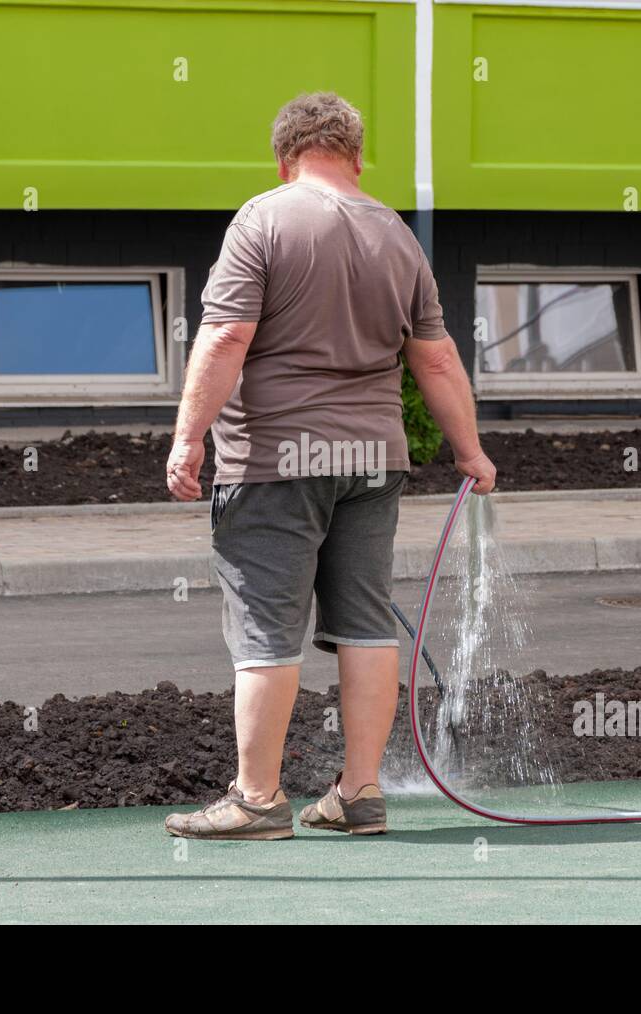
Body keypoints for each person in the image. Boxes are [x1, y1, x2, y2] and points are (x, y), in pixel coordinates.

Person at [163, 92, 495, 840]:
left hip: (276, 461)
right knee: (367, 625)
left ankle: (257, 800)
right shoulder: (397, 236)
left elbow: (224, 341)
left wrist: (188, 439)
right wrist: (471, 453)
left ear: (283, 158)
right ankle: (360, 792)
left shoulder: (264, 219)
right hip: (373, 461)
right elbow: (436, 359)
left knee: (265, 630)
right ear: (355, 155)